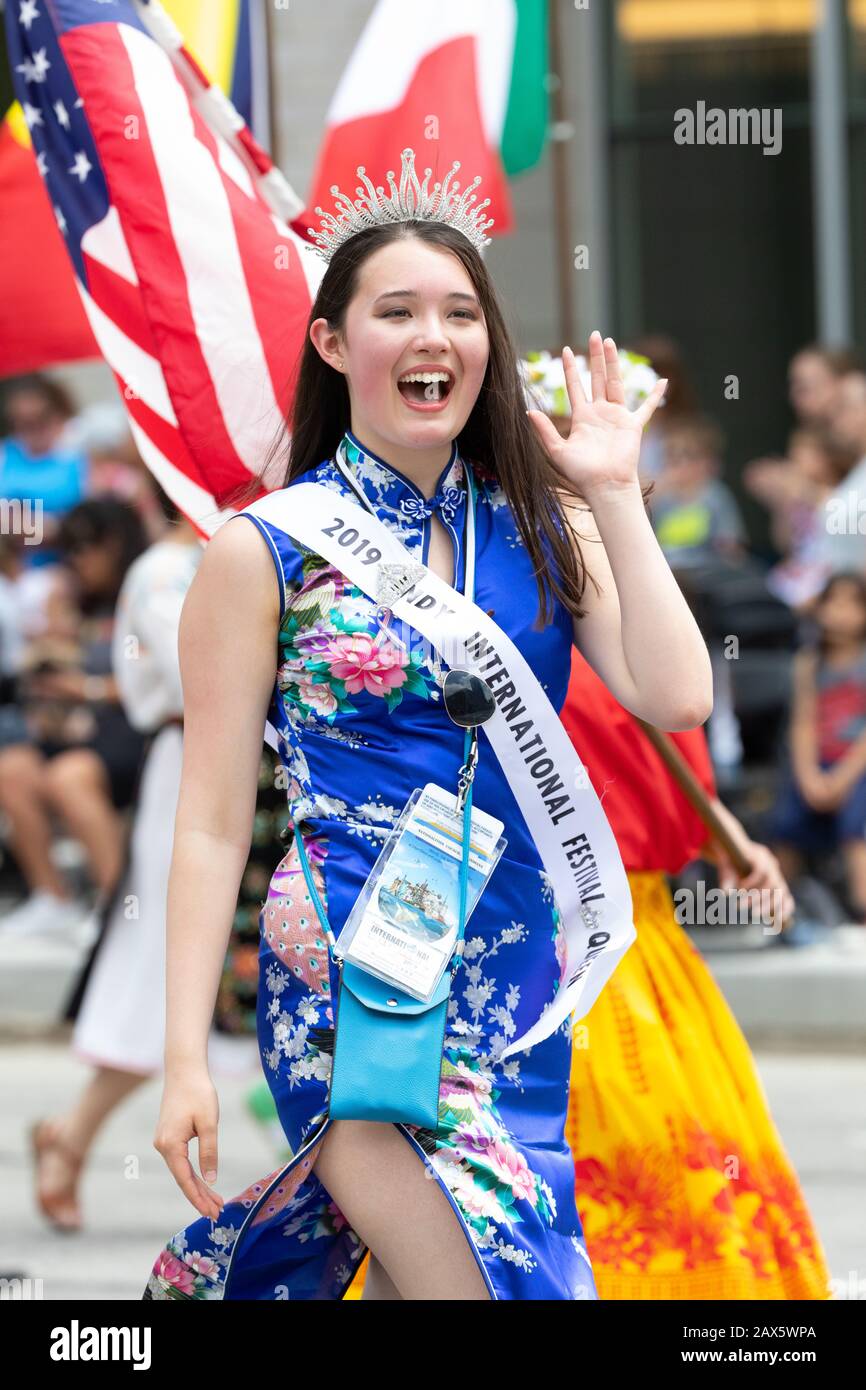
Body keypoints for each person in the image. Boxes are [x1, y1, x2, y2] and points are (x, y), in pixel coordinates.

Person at [142, 149, 711, 1302]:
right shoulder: (267, 548)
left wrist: (609, 492)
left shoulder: (546, 525)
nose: (432, 336)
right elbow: (206, 823)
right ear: (333, 343)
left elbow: (677, 693)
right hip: (352, 980)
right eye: (394, 311)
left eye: (459, 312)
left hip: (509, 965)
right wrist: (181, 1057)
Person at [560, 647, 831, 1299]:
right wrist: (732, 842)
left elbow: (678, 781)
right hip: (618, 947)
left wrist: (731, 842)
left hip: (594, 947)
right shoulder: (626, 630)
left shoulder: (522, 625)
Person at [26, 490, 202, 1230]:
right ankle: (71, 1137)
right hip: (196, 764)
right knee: (168, 972)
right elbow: (201, 675)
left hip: (262, 775)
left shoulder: (227, 550)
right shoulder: (166, 570)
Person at [0, 498, 149, 937]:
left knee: (69, 777)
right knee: (11, 769)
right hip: (82, 727)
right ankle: (52, 897)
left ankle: (118, 906)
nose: (76, 559)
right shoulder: (75, 601)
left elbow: (160, 681)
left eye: (86, 547)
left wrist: (85, 688)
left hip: (132, 729)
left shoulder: (141, 596)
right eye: (71, 549)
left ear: (114, 546)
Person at [767, 571, 866, 922]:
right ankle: (779, 911)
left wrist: (841, 780)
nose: (840, 611)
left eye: (852, 603)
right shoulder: (808, 662)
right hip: (819, 767)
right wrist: (808, 777)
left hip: (856, 768)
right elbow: (803, 725)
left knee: (860, 819)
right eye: (832, 601)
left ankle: (861, 905)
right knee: (787, 819)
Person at [0, 374, 89, 569]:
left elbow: (87, 524)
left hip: (67, 570)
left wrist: (25, 524)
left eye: (40, 417)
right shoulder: (4, 455)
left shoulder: (77, 455)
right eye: (24, 421)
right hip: (12, 573)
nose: (33, 426)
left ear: (55, 414)